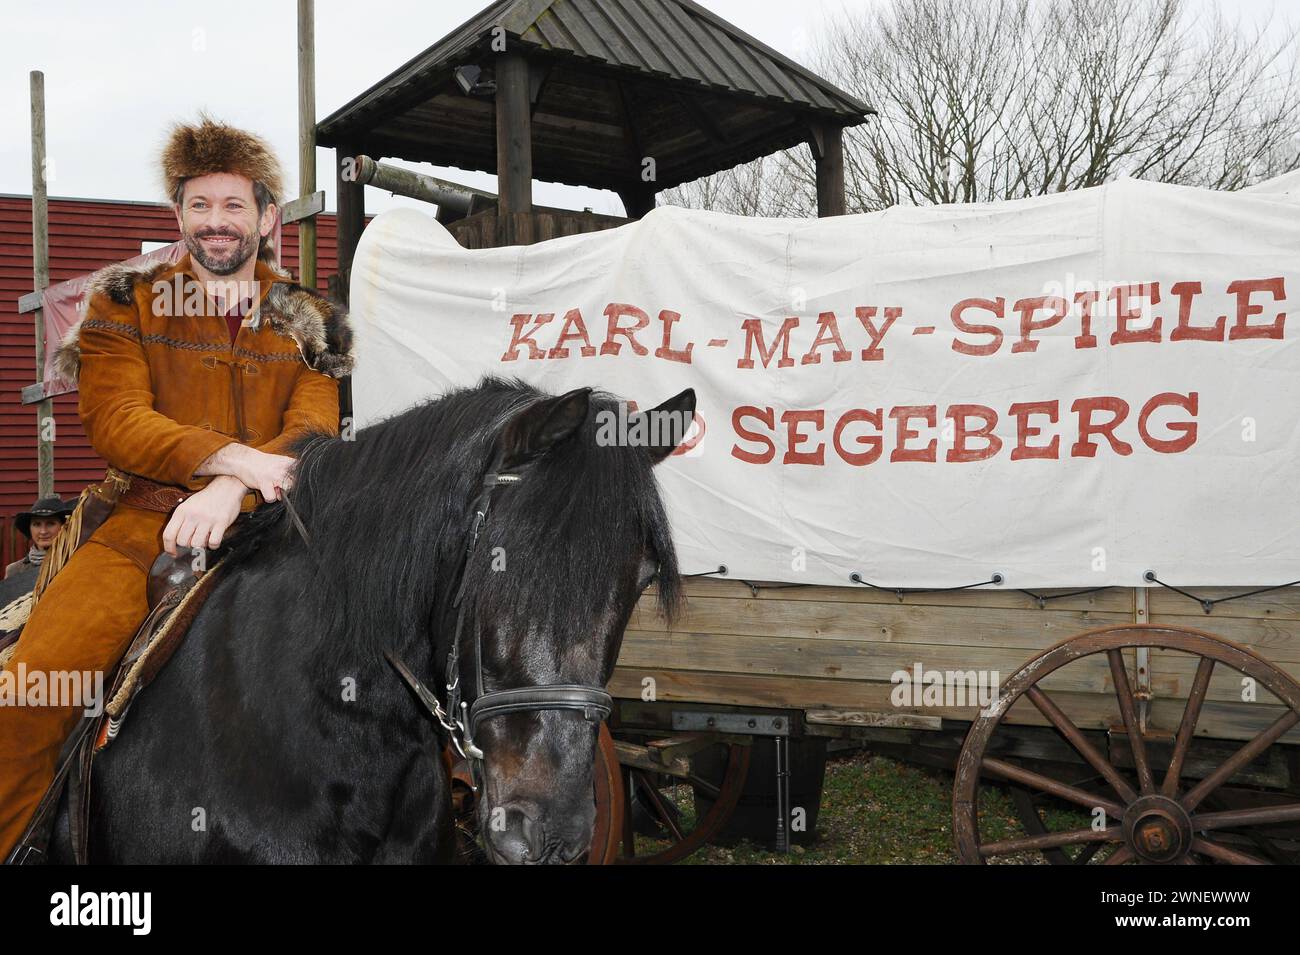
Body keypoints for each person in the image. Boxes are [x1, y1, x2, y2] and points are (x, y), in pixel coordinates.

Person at [0, 116, 354, 857]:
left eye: (232, 206)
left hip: (278, 535)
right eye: (199, 205)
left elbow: (313, 430)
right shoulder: (123, 303)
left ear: (264, 217)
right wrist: (233, 457)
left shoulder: (306, 321)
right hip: (134, 530)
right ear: (178, 216)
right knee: (29, 697)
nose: (215, 222)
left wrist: (235, 489)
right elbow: (117, 421)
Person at [4, 496, 75, 579]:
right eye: (37, 524)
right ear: (29, 528)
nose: (43, 531)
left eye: (50, 523)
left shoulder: (75, 564)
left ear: (63, 526)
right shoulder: (15, 570)